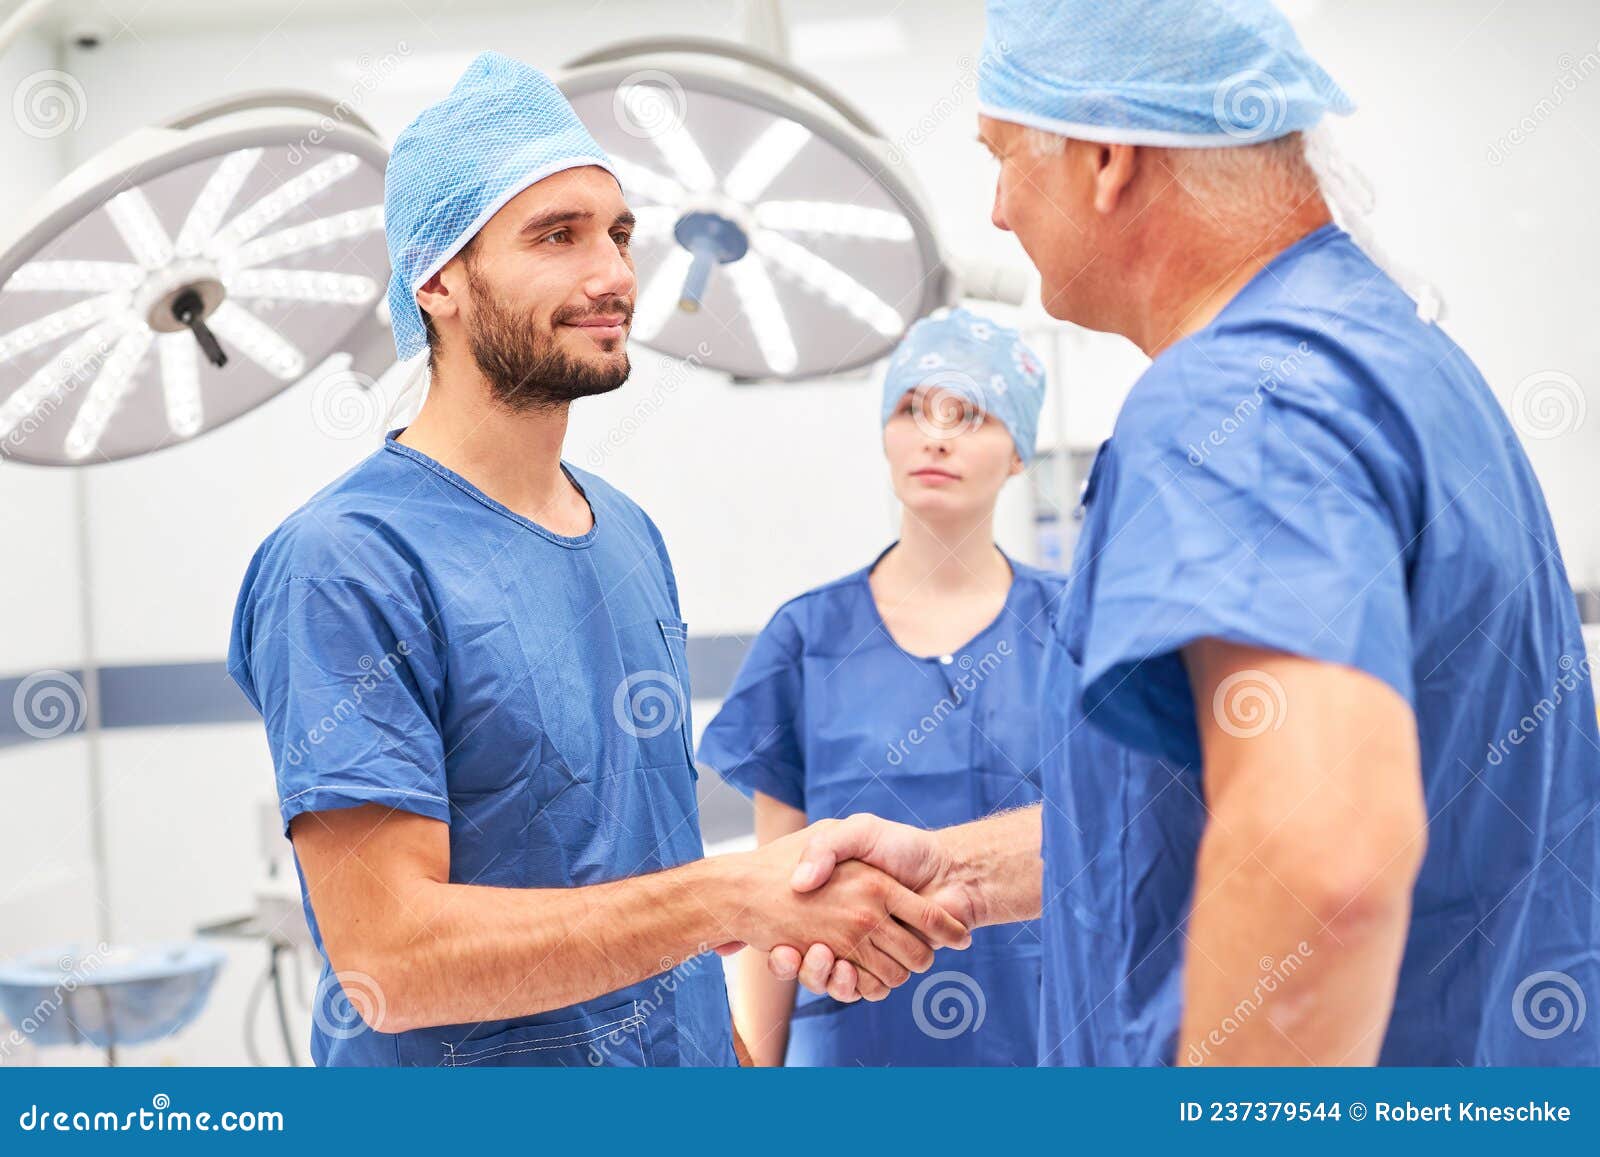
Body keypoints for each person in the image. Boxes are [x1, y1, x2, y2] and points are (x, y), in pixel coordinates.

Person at [770, 0, 1600, 1067]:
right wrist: (958, 871)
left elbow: (1320, 858)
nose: (996, 211)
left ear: (1107, 158)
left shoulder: (1232, 406)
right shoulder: (1391, 360)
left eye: (1005, 158)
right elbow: (1222, 798)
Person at [226, 52, 968, 1068]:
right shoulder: (348, 563)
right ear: (437, 277)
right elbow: (389, 963)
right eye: (557, 235)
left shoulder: (623, 533)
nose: (615, 273)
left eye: (618, 233)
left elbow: (639, 858)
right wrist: (733, 894)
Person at [702, 309, 1109, 1066]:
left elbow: (1125, 847)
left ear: (1019, 450)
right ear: (885, 436)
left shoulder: (1079, 630)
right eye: (911, 408)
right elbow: (773, 900)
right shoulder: (805, 638)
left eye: (971, 412)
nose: (936, 434)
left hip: (1052, 1048)